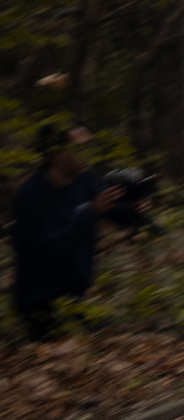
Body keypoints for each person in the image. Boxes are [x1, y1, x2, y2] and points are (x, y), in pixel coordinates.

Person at [8, 125, 132, 340]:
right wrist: (90, 212)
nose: (87, 154)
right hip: (41, 300)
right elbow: (49, 248)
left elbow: (115, 212)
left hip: (75, 296)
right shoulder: (31, 194)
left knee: (113, 338)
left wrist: (135, 207)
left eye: (89, 147)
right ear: (56, 154)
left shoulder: (84, 180)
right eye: (79, 148)